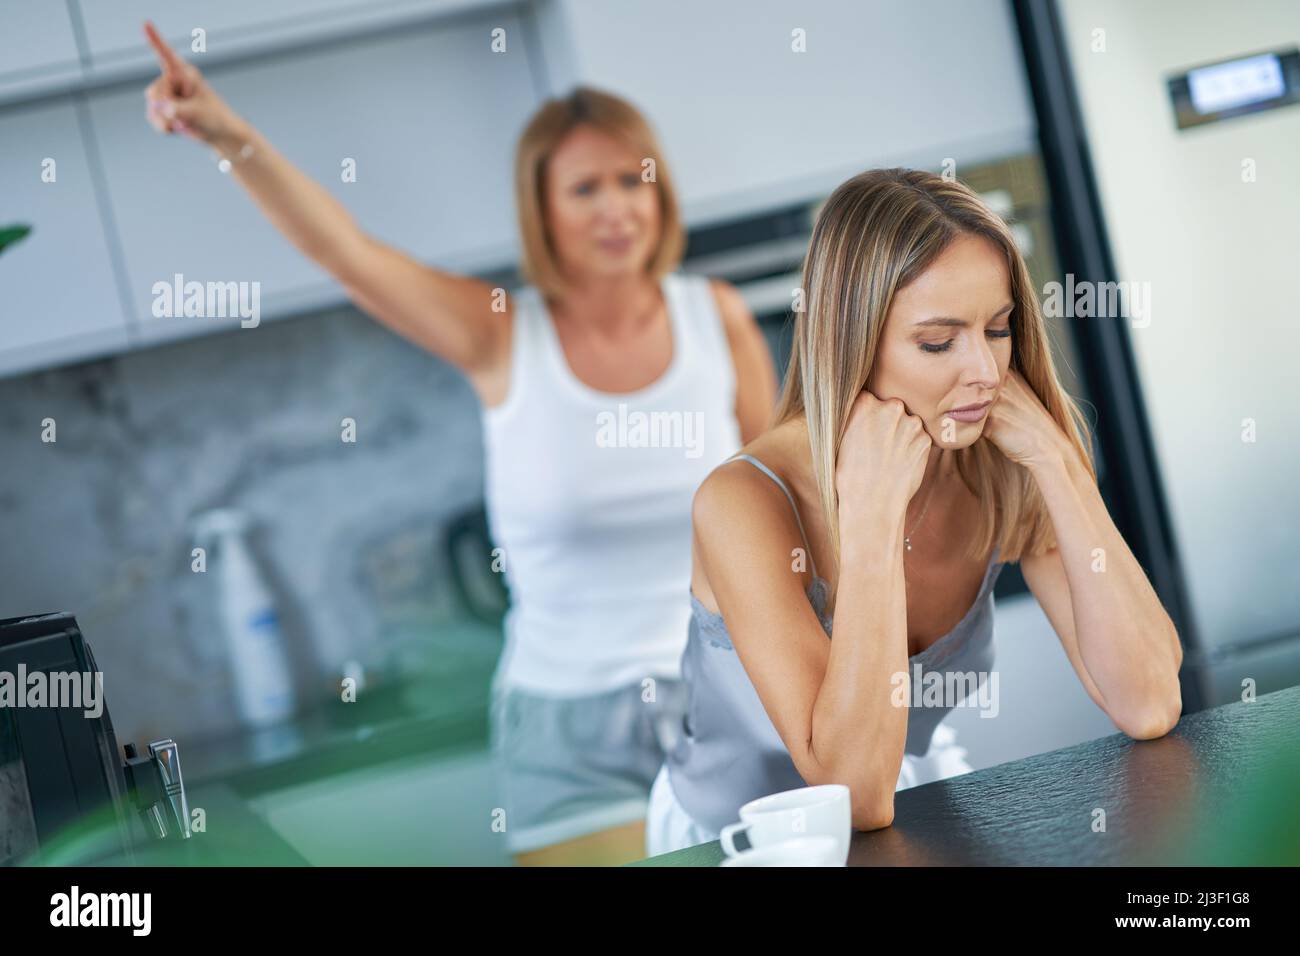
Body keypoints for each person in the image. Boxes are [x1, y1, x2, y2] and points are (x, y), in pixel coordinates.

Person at [139, 22, 777, 865]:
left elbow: (780, 510)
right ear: (542, 209)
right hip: (569, 728)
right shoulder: (504, 332)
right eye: (586, 187)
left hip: (725, 699)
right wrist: (228, 132)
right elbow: (348, 252)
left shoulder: (716, 316)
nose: (617, 206)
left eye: (634, 180)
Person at [646, 168, 1184, 856]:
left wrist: (1058, 462)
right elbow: (853, 792)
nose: (986, 372)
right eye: (938, 343)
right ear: (852, 340)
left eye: (997, 329)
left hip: (909, 812)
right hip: (734, 844)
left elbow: (1148, 703)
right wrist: (871, 514)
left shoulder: (992, 460)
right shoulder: (744, 502)